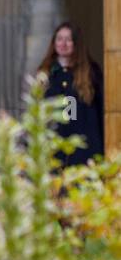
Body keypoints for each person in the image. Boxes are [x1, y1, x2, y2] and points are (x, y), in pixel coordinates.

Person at [37, 21, 104, 165]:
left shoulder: (91, 73)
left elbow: (100, 114)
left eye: (69, 39)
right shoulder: (46, 73)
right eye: (59, 39)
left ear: (77, 44)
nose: (63, 44)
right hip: (53, 149)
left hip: (84, 149)